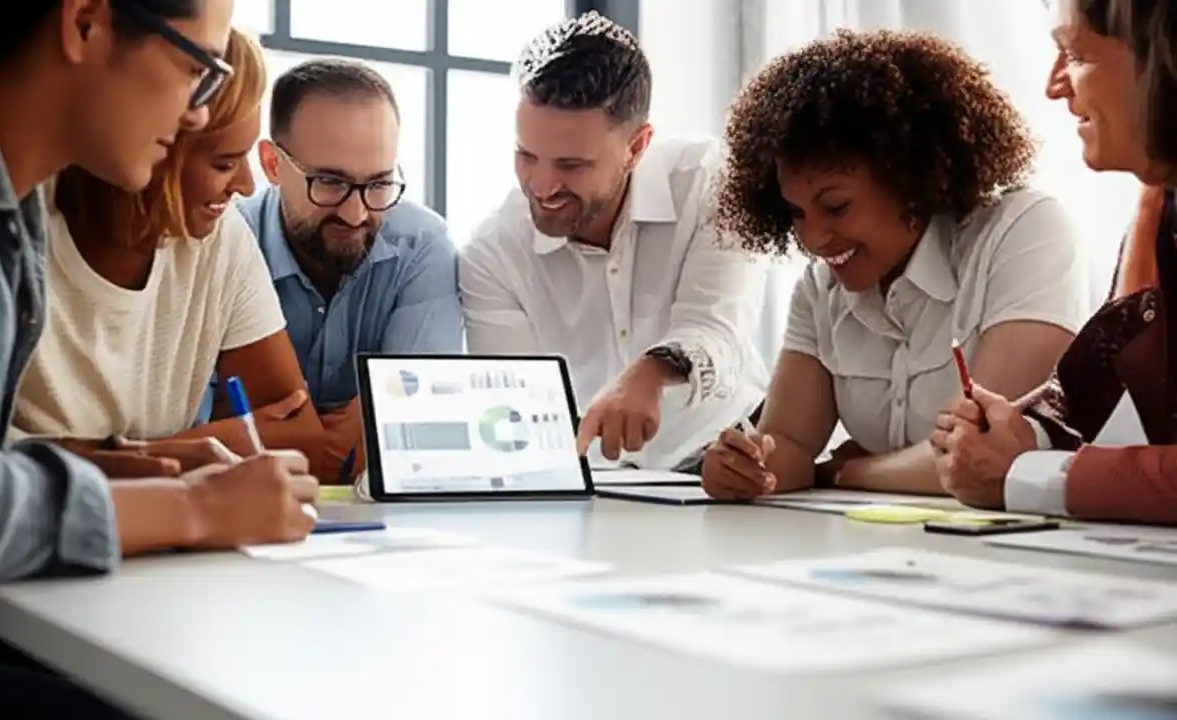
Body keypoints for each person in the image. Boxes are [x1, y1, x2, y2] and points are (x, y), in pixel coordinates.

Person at [0, 3, 317, 718]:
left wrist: (110, 468)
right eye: (196, 69)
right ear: (85, 21)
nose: (196, 112)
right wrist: (191, 509)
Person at [699, 29, 1089, 500]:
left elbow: (981, 453)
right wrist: (740, 467)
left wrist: (843, 472)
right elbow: (788, 445)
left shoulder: (1022, 232)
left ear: (910, 178)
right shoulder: (820, 289)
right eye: (796, 213)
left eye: (836, 206)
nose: (814, 239)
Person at [10, 28, 335, 478]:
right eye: (224, 163)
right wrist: (185, 452)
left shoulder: (219, 238)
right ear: (159, 140)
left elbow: (302, 438)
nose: (246, 186)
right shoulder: (18, 226)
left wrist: (130, 456)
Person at [460, 12, 770, 470]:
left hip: (732, 460)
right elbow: (515, 407)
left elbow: (717, 331)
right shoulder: (491, 255)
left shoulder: (710, 183)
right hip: (596, 480)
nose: (542, 186)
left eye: (571, 165)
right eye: (526, 155)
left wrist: (652, 371)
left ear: (637, 147)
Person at [931, 0, 1177, 525]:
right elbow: (1121, 353)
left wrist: (1026, 474)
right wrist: (1026, 433)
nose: (1054, 86)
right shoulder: (1161, 208)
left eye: (1076, 55)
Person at [238, 57, 463, 482]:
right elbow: (196, 425)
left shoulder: (422, 246)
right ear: (272, 165)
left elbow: (419, 428)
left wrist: (268, 434)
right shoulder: (227, 241)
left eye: (378, 184)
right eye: (330, 182)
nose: (356, 214)